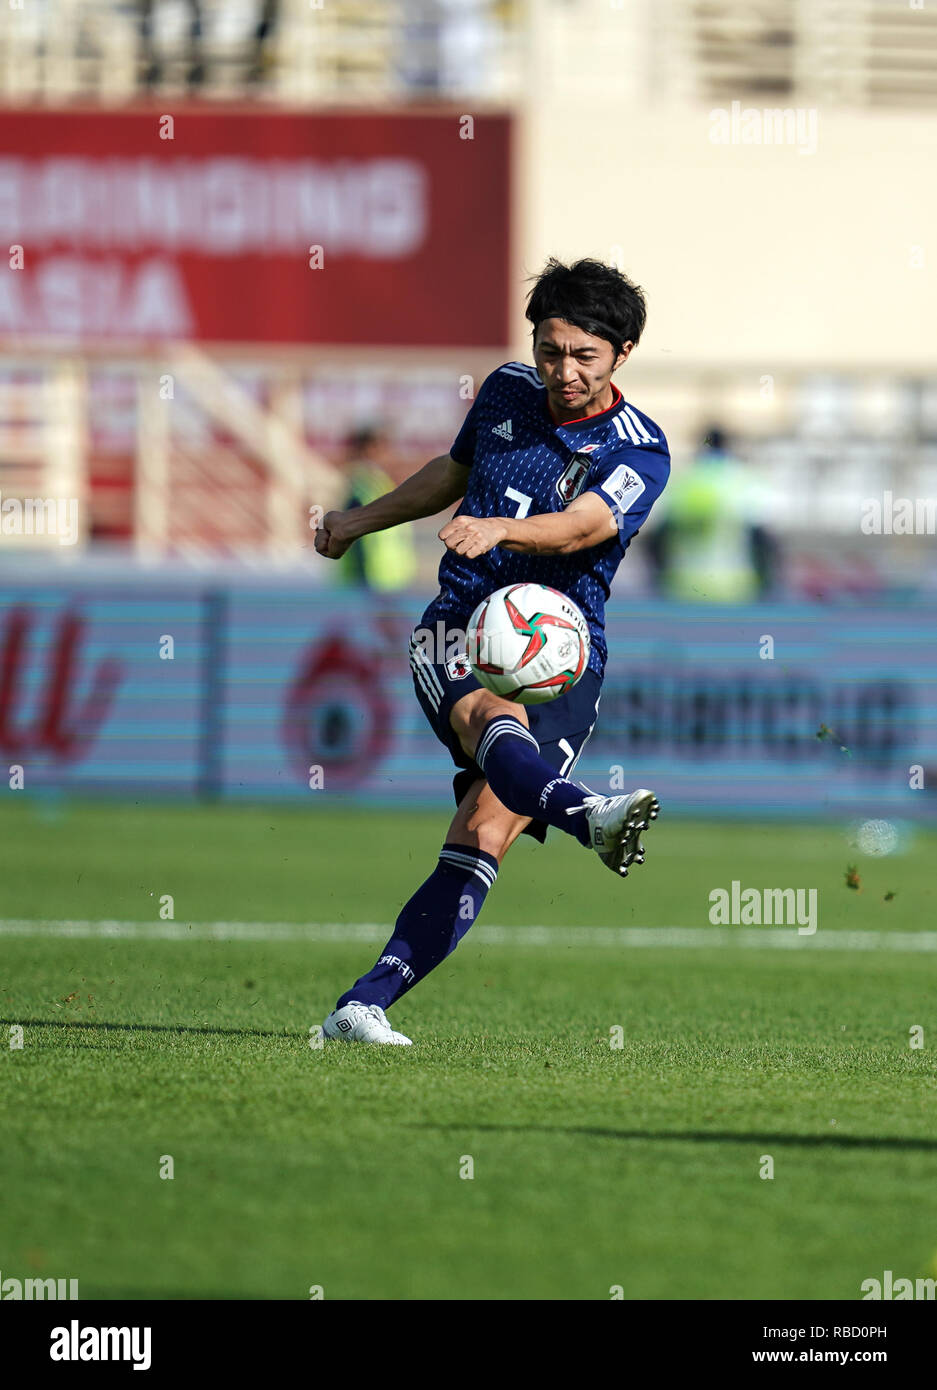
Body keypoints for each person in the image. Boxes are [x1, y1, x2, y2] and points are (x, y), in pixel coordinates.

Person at [314, 257, 671, 1044]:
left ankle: (360, 1006)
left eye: (583, 355)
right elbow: (453, 472)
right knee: (488, 713)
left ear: (621, 354)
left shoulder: (640, 449)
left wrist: (501, 529)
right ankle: (590, 818)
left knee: (486, 831)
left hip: (565, 654)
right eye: (551, 350)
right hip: (458, 623)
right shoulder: (507, 388)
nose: (562, 370)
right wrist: (356, 521)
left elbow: (583, 525)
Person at [646, 426, 778, 601]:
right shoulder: (744, 482)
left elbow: (655, 538)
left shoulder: (681, 482)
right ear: (729, 446)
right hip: (736, 590)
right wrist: (766, 583)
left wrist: (660, 577)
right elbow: (763, 540)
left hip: (681, 589)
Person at [336, 427, 417, 591]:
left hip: (387, 581)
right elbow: (354, 537)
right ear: (369, 449)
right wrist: (363, 582)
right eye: (382, 448)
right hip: (370, 583)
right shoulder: (361, 486)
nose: (388, 454)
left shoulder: (378, 483)